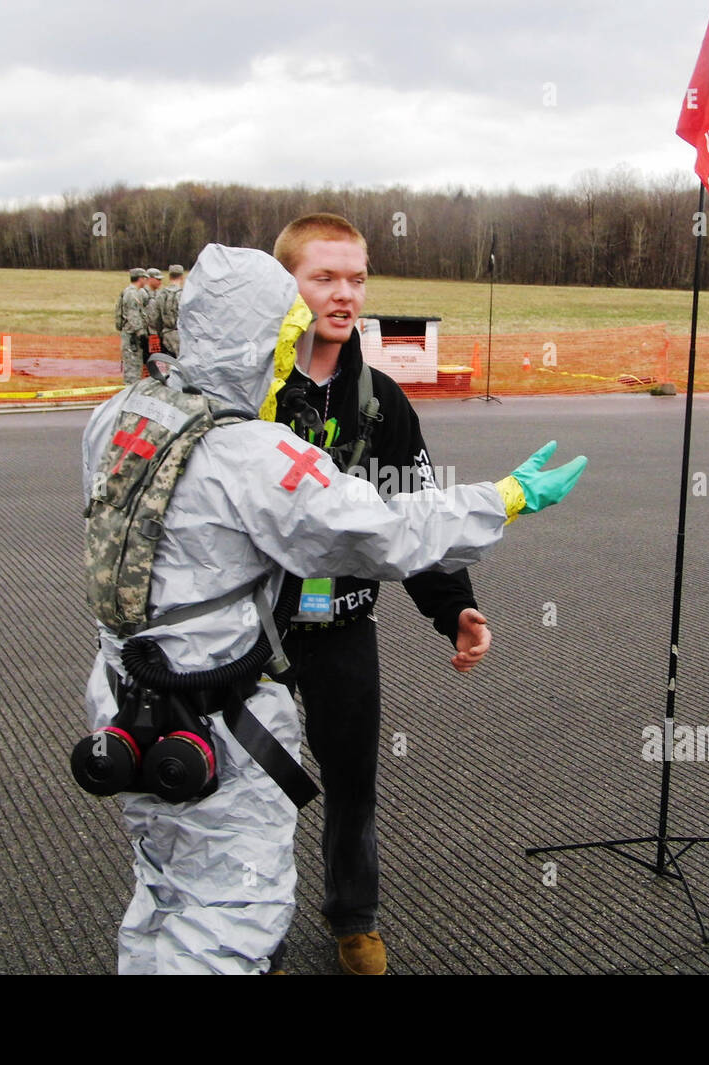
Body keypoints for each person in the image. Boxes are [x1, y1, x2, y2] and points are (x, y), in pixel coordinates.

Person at [79, 243, 586, 974]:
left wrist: (452, 605)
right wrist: (504, 498)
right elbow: (381, 529)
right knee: (228, 914)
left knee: (164, 882)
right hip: (217, 702)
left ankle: (344, 919)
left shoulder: (119, 417)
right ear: (266, 333)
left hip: (129, 696)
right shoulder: (249, 452)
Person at [272, 213, 483, 974]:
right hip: (250, 630)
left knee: (353, 780)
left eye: (356, 278)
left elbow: (416, 513)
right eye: (323, 277)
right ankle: (246, 925)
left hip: (344, 623)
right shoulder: (250, 396)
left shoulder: (383, 402)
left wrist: (451, 606)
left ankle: (352, 915)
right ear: (286, 285)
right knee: (247, 784)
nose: (344, 294)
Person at [115, 268, 149, 384]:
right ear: (140, 278)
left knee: (135, 368)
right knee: (132, 371)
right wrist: (142, 334)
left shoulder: (133, 292)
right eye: (145, 278)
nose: (146, 281)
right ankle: (130, 395)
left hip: (133, 336)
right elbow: (133, 315)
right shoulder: (132, 294)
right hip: (132, 337)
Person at [156, 264, 185, 356]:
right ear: (182, 276)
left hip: (166, 333)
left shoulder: (161, 294)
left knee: (169, 363)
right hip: (181, 334)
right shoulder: (184, 294)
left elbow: (157, 318)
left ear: (169, 276)